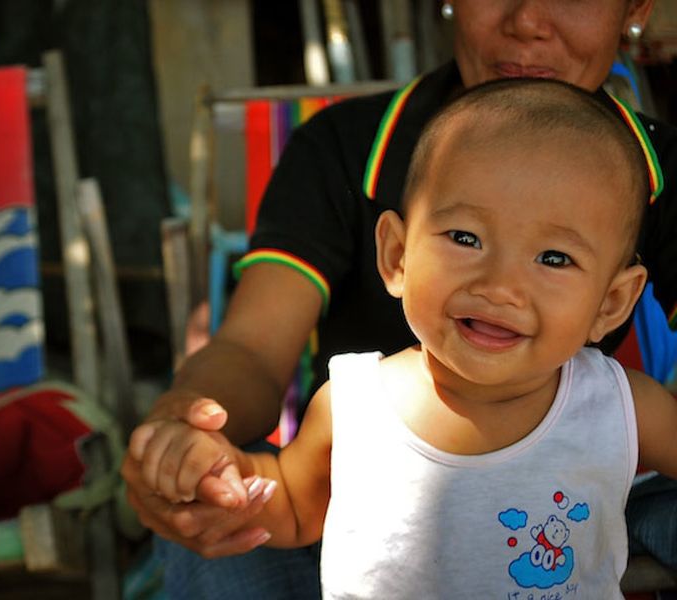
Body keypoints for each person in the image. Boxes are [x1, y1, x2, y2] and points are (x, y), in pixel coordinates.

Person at [122, 1, 677, 597]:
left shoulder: (623, 406)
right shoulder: (348, 148)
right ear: (396, 253)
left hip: (574, 511)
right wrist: (184, 436)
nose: (529, 20)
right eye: (464, 238)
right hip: (349, 510)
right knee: (217, 500)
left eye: (555, 258)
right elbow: (253, 352)